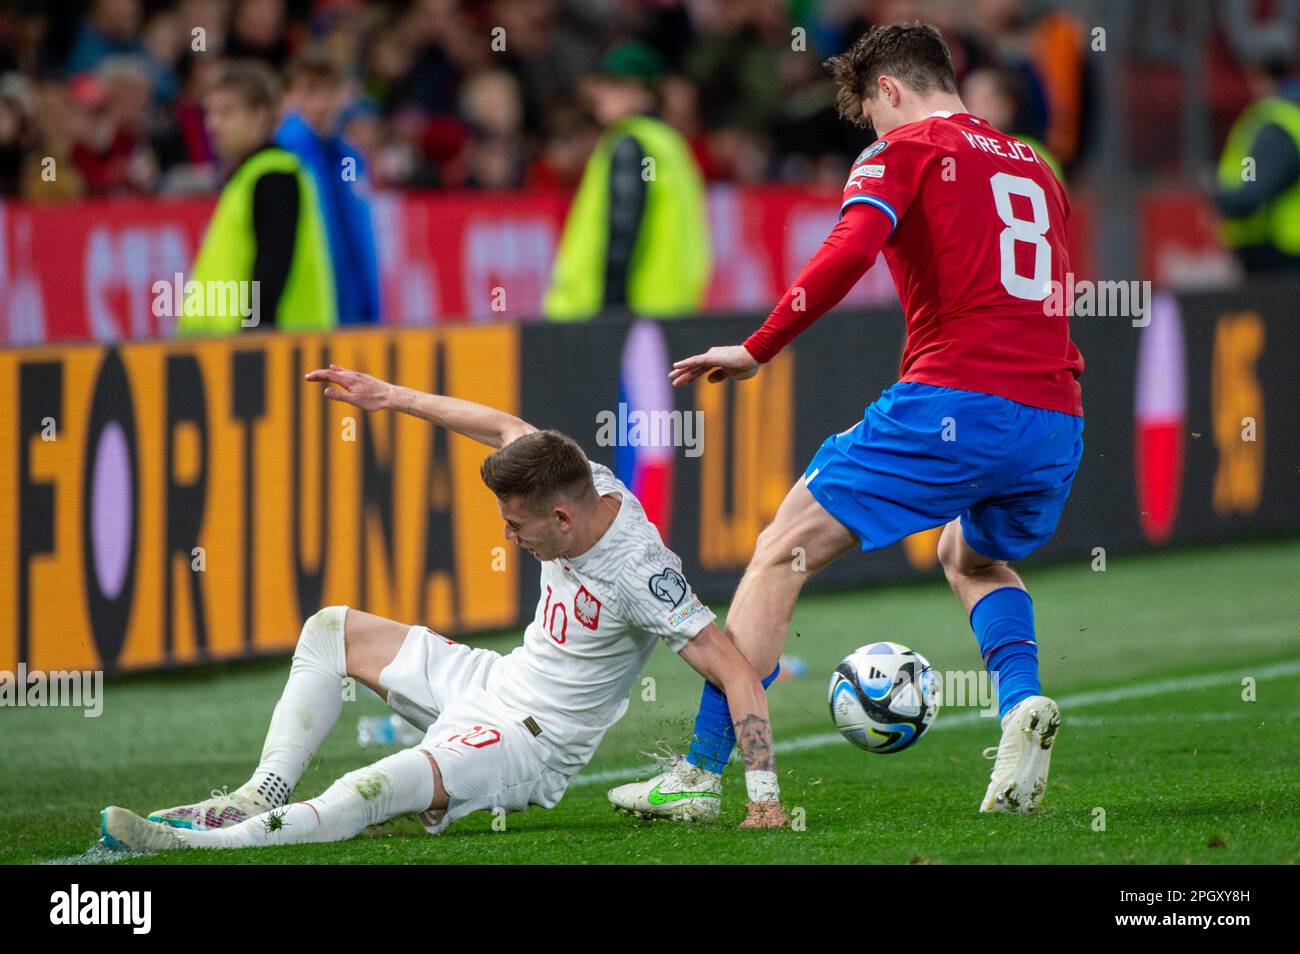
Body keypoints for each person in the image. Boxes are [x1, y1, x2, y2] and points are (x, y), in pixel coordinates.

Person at [609, 22, 1083, 819]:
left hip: (953, 402)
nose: (873, 131)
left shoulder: (903, 150)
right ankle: (1020, 703)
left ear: (889, 90)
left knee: (779, 556)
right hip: (1054, 418)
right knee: (968, 556)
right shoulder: (1037, 165)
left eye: (870, 114)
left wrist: (761, 346)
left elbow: (850, 249)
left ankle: (698, 775)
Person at [100, 365, 788, 853]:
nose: (506, 537)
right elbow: (501, 425)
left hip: (527, 742)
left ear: (560, 517)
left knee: (371, 786)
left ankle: (195, 848)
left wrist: (764, 800)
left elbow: (736, 672)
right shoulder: (579, 479)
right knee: (330, 629)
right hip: (492, 681)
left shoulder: (642, 573)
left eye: (517, 528)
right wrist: (389, 396)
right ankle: (260, 793)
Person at [543, 42, 710, 321]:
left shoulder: (629, 143)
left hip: (607, 312)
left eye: (614, 85)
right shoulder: (671, 145)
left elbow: (623, 228)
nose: (601, 93)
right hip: (670, 308)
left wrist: (613, 310)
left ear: (643, 92)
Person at [178, 60, 335, 335]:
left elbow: (272, 266)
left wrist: (254, 335)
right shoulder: (249, 176)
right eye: (209, 113)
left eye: (226, 113)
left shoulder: (274, 176)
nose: (212, 124)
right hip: (232, 351)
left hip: (265, 352)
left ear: (261, 115)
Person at [278, 48, 382, 325]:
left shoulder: (350, 158)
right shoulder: (283, 156)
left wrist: (371, 311)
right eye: (310, 93)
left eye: (329, 92)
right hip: (304, 321)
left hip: (352, 316)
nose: (321, 104)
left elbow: (362, 241)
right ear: (289, 97)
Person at [1214, 50, 1300, 275]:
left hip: (1280, 254)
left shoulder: (1275, 124)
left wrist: (1221, 199)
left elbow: (1253, 188)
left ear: (1257, 73)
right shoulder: (1290, 115)